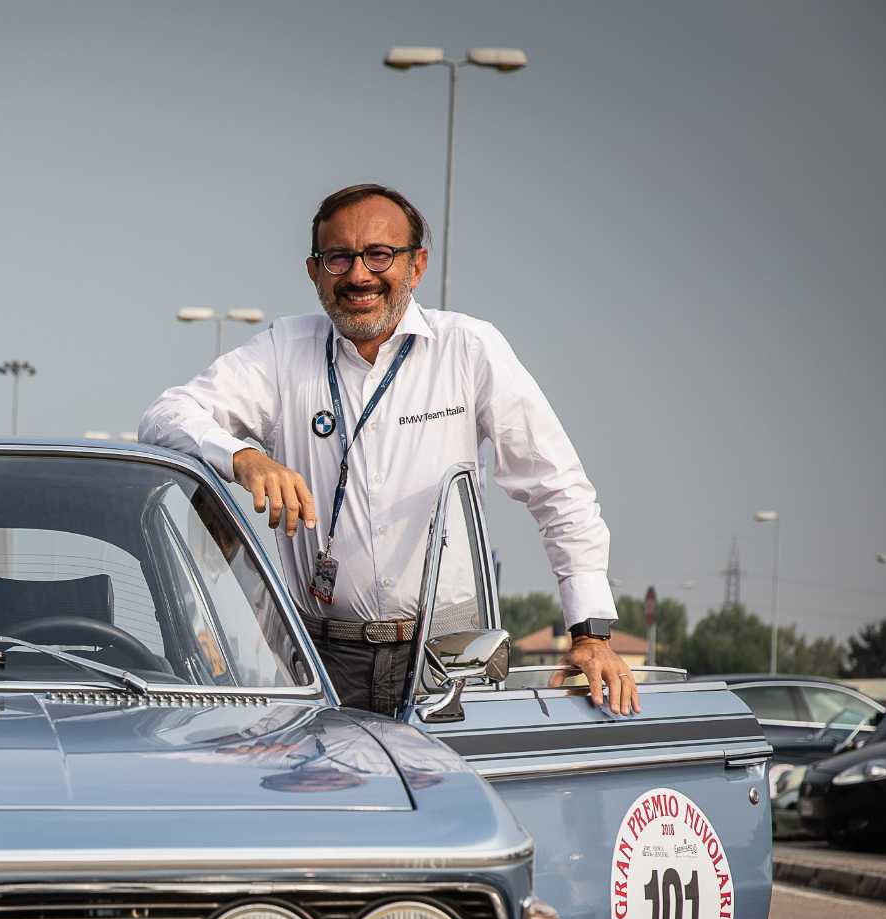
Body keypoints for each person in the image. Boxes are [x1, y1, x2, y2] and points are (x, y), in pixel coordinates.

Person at [140, 182, 636, 716]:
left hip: (449, 658)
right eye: (339, 258)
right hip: (319, 660)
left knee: (454, 799)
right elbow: (164, 417)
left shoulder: (468, 350)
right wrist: (243, 458)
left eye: (380, 255)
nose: (358, 275)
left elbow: (557, 487)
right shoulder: (284, 351)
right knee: (327, 802)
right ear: (314, 272)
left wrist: (591, 634)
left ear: (416, 265)